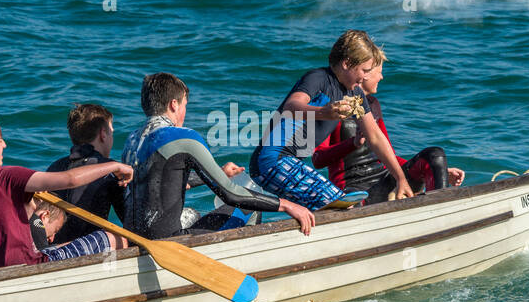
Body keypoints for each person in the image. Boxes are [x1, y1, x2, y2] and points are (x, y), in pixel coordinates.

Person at [122, 72, 315, 239]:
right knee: (251, 208)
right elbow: (231, 194)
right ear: (174, 104)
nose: (184, 113)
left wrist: (219, 172)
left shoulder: (131, 141)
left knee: (192, 214)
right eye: (184, 105)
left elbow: (161, 183)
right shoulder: (183, 136)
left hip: (135, 238)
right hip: (170, 245)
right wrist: (286, 205)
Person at [0, 114, 133, 274]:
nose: (4, 144)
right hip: (27, 268)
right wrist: (114, 165)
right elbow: (70, 179)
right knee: (111, 239)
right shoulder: (6, 176)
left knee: (58, 247)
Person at [249, 30, 414, 209]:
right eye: (364, 70)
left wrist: (400, 178)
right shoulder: (318, 78)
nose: (366, 77)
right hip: (271, 160)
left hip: (290, 163)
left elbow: (375, 137)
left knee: (341, 204)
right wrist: (323, 112)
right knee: (341, 202)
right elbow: (291, 106)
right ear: (347, 63)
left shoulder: (355, 93)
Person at [312, 47, 464, 203]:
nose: (382, 77)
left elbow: (388, 154)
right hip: (354, 189)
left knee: (435, 155)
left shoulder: (373, 104)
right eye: (379, 72)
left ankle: (439, 208)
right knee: (352, 200)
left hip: (386, 181)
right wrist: (353, 143)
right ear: (364, 74)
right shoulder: (332, 107)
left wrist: (437, 172)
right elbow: (318, 159)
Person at [40, 103, 127, 247]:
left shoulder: (54, 168)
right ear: (103, 134)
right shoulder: (110, 171)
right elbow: (129, 220)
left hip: (52, 250)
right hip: (88, 251)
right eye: (111, 132)